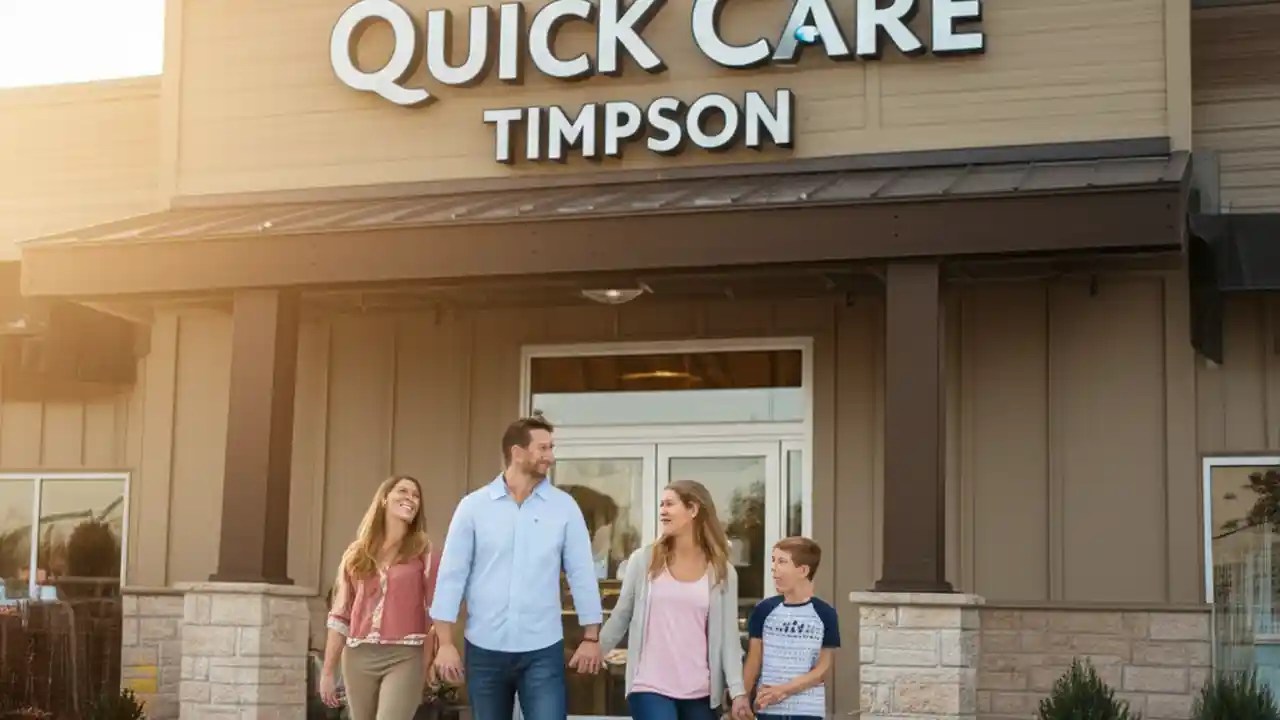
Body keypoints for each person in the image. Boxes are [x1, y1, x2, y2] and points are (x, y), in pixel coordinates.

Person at [429, 414, 604, 720]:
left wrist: (591, 636)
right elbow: (451, 577)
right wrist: (444, 643)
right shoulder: (474, 507)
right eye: (543, 448)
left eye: (551, 448)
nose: (550, 456)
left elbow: (582, 574)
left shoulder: (564, 508)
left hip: (542, 649)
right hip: (484, 649)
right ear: (517, 453)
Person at [599, 480, 752, 720]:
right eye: (661, 504)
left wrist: (738, 691)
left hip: (700, 690)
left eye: (670, 504)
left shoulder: (722, 572)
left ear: (693, 510)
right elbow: (622, 615)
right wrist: (595, 650)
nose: (663, 511)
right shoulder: (644, 560)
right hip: (648, 684)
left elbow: (728, 638)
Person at [320, 475, 440, 720]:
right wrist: (328, 672)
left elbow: (436, 612)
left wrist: (428, 663)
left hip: (405, 655)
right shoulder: (356, 553)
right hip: (357, 655)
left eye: (415, 496)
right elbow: (340, 615)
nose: (410, 499)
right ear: (385, 498)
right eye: (403, 492)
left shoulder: (423, 551)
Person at [744, 537, 841, 720]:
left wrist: (783, 691)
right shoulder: (764, 610)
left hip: (806, 711)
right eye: (773, 560)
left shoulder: (825, 614)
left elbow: (822, 669)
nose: (773, 567)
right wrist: (741, 699)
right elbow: (754, 660)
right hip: (767, 710)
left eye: (782, 562)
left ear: (803, 570)